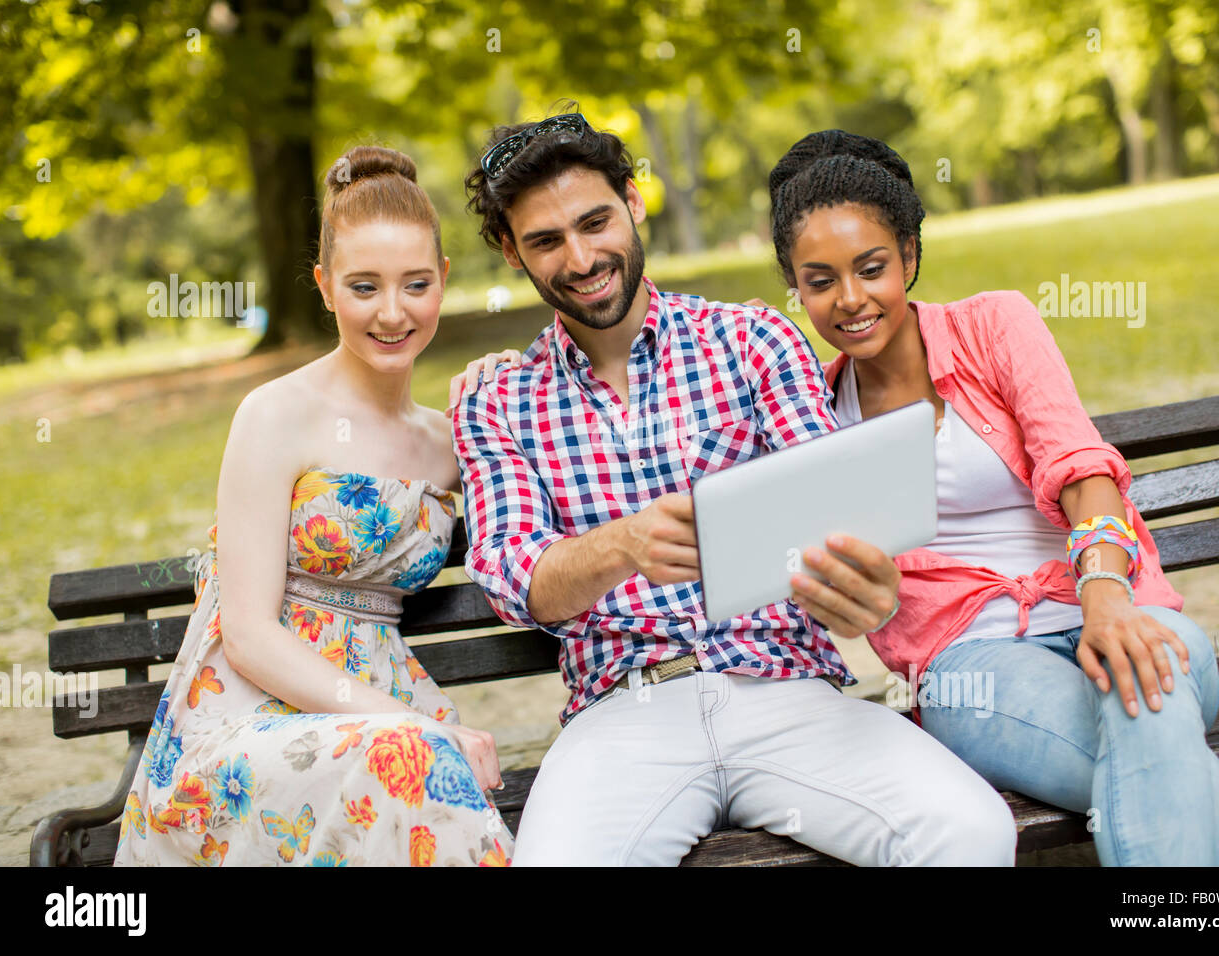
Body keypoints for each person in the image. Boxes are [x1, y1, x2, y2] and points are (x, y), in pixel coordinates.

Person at [453, 110, 1017, 866]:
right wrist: (621, 545)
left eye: (596, 222)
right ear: (508, 250)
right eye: (547, 241)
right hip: (625, 712)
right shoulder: (498, 402)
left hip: (786, 689)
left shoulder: (751, 340)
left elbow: (837, 518)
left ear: (634, 199)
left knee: (969, 830)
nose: (583, 258)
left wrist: (865, 590)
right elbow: (518, 583)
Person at [765, 129, 1219, 865]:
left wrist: (1107, 600)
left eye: (871, 268)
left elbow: (1081, 467)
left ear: (910, 258)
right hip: (973, 665)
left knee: (1147, 708)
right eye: (821, 281)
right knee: (1162, 745)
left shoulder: (994, 325)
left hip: (1111, 602)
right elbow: (841, 591)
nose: (850, 300)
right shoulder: (812, 415)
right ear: (796, 287)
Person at [114, 146, 518, 867]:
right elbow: (246, 633)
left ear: (444, 282)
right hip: (246, 714)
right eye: (364, 287)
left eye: (415, 285)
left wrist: (501, 383)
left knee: (413, 769)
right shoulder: (275, 415)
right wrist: (405, 722)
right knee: (412, 757)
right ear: (325, 286)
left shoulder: (448, 438)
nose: (393, 313)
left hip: (380, 711)